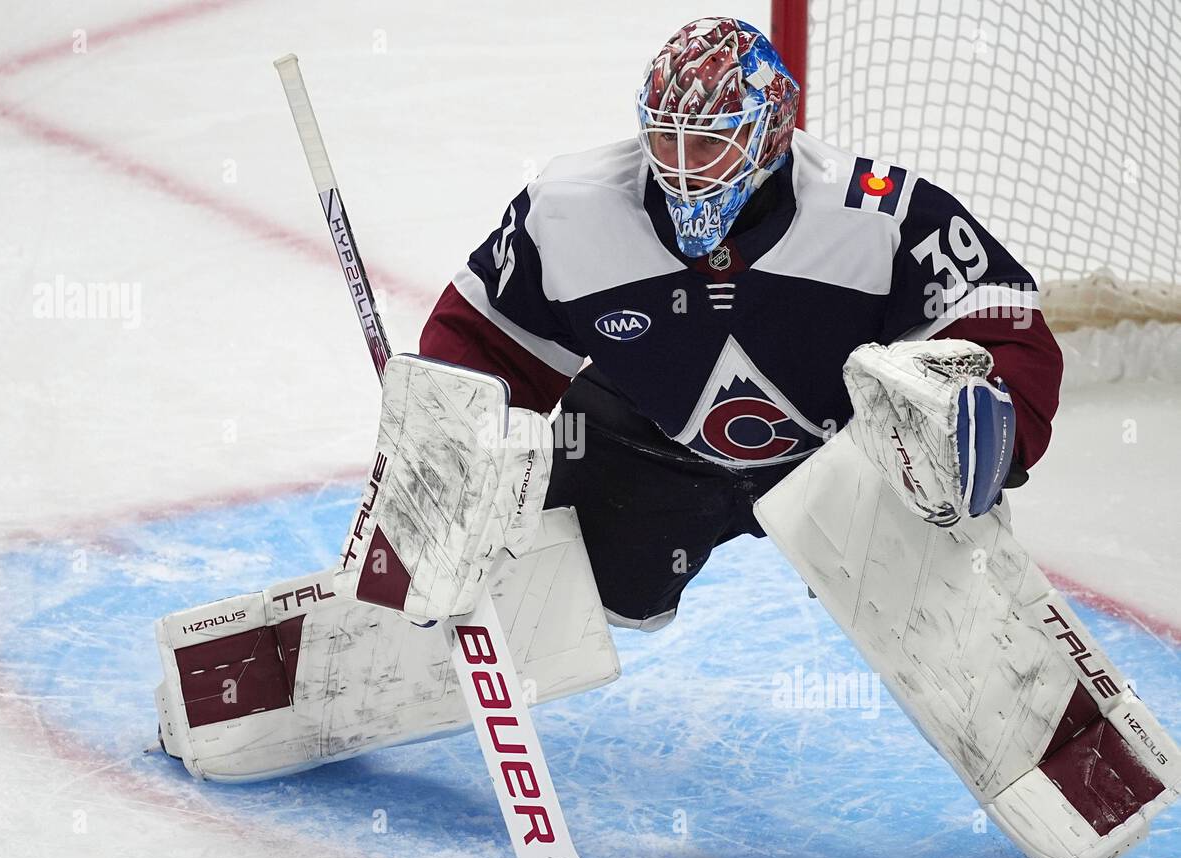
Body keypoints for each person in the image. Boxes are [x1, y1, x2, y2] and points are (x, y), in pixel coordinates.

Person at [418, 15, 1062, 631]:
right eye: (664, 138)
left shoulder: (878, 214)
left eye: (707, 142)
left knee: (939, 588)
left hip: (846, 461)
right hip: (650, 444)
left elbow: (999, 319)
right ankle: (417, 650)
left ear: (769, 136)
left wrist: (997, 421)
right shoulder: (567, 211)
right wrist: (451, 439)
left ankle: (1016, 687)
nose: (680, 164)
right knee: (539, 596)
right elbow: (485, 340)